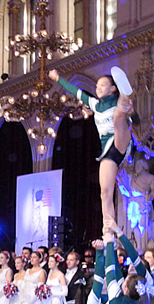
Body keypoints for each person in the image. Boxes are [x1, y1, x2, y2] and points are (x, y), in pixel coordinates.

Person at [50, 66, 138, 231]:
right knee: (105, 192)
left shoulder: (117, 103)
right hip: (108, 152)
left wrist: (132, 113)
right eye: (97, 86)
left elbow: (138, 122)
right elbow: (76, 91)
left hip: (121, 140)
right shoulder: (95, 104)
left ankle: (126, 94)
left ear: (113, 88)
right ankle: (109, 229)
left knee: (118, 115)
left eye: (103, 85)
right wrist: (58, 78)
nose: (98, 88)